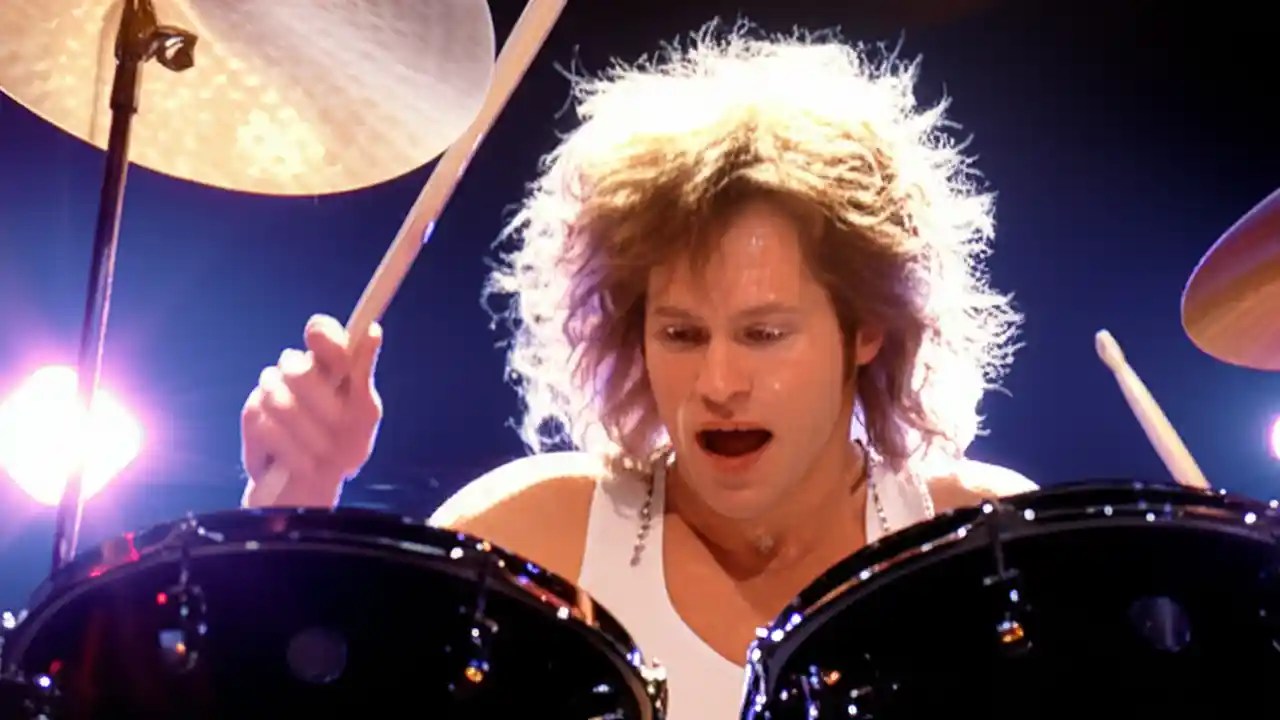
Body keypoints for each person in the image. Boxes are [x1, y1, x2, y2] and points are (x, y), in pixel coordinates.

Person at [238, 21, 1036, 720]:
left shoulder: (988, 554)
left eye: (763, 334)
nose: (718, 383)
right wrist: (290, 513)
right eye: (681, 334)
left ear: (866, 330)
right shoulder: (528, 545)